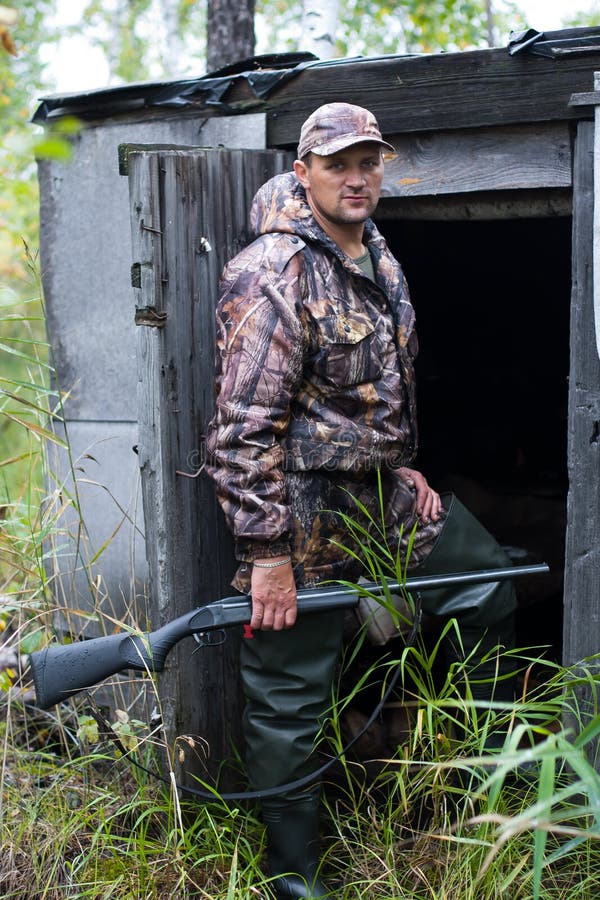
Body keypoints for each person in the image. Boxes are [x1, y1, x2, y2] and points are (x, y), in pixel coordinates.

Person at [206, 102, 516, 900]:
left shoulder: (378, 255)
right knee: (289, 694)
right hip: (302, 513)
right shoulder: (272, 269)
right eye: (339, 163)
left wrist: (404, 464)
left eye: (369, 162)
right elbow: (240, 430)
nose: (357, 178)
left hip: (380, 495)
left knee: (482, 582)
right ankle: (295, 882)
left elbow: (380, 391)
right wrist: (267, 556)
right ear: (302, 171)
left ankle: (479, 794)